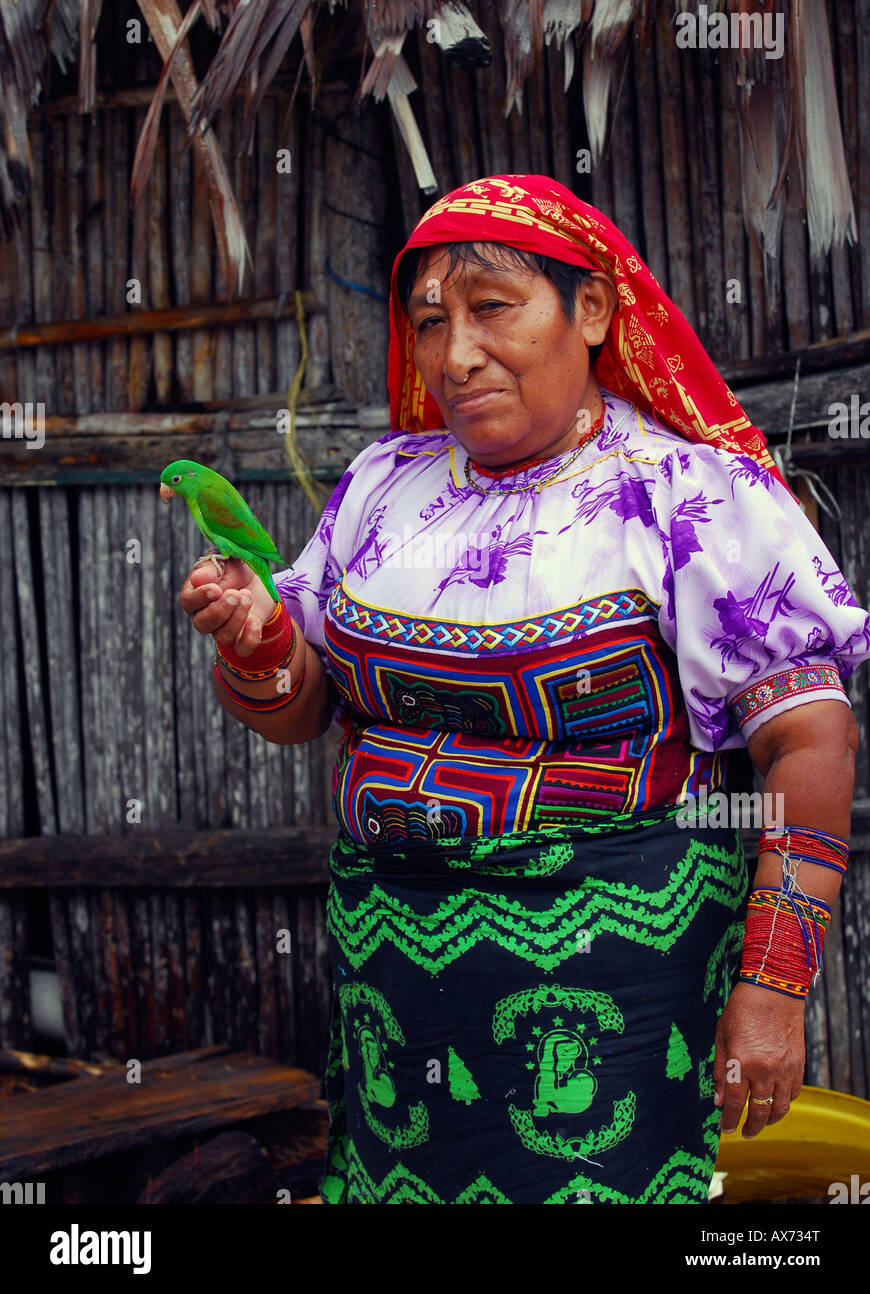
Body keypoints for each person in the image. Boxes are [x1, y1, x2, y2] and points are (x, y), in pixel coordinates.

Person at [177, 174, 870, 1205]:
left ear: (590, 309)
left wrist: (772, 985)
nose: (455, 355)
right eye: (427, 322)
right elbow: (303, 708)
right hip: (399, 985)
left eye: (492, 308)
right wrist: (260, 640)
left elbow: (807, 746)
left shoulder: (688, 498)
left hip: (611, 996)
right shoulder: (385, 486)